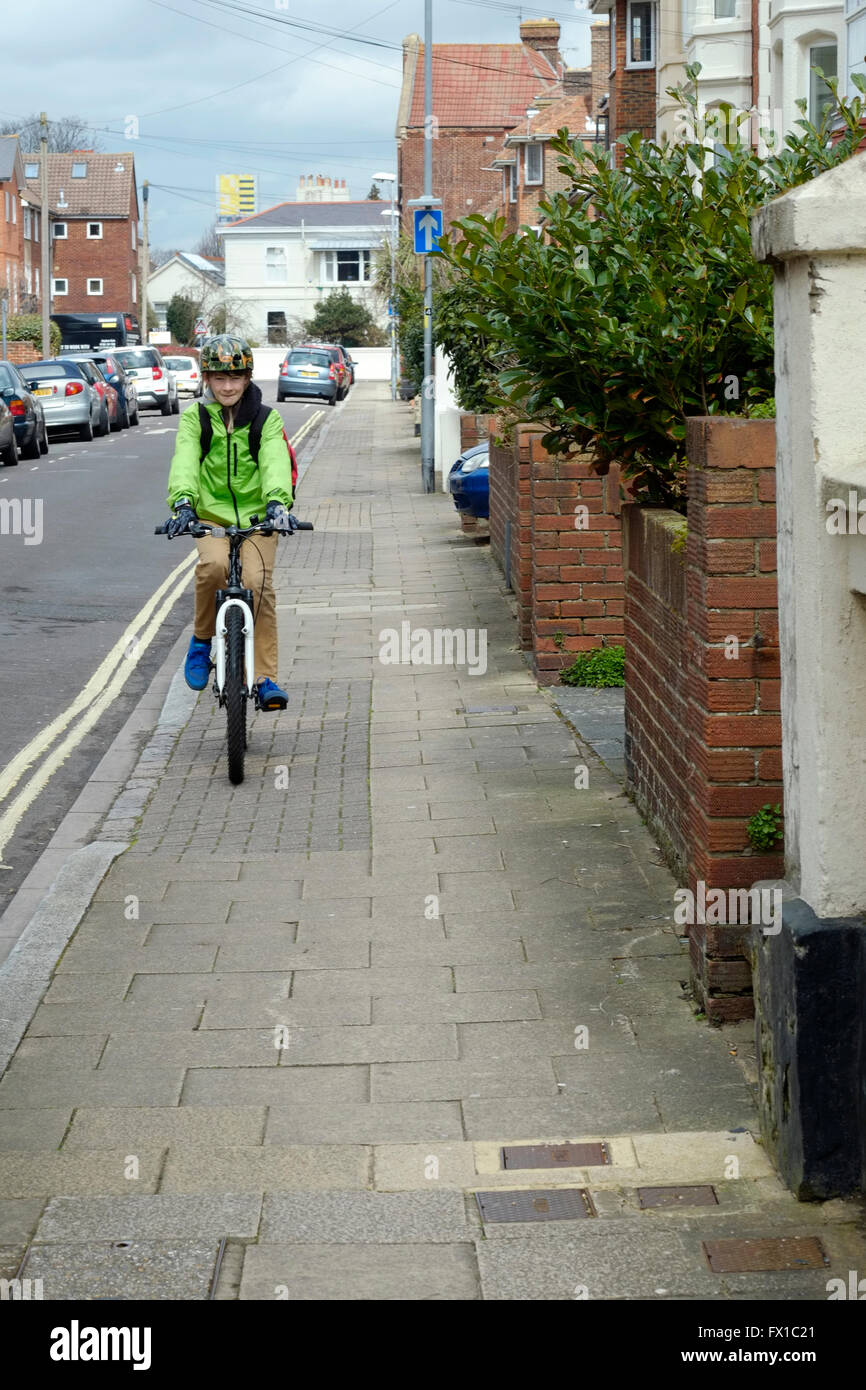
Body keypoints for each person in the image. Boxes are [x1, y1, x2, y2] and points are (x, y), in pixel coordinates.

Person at [165, 334, 294, 710]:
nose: (227, 386)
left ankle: (265, 677)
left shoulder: (267, 419)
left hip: (258, 518)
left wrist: (276, 503)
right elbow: (185, 461)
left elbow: (275, 462)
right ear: (206, 379)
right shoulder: (195, 419)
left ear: (248, 378)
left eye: (235, 378)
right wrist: (184, 503)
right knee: (213, 566)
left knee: (258, 584)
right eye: (219, 378)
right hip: (210, 515)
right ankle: (202, 640)